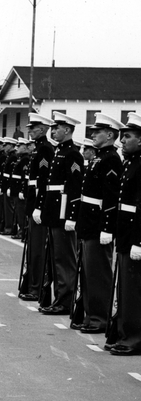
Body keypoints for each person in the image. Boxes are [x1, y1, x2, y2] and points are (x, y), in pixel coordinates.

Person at [72, 114, 122, 333]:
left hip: (97, 225)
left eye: (97, 132)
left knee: (98, 274)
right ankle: (90, 316)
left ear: (110, 135)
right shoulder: (99, 158)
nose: (92, 134)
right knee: (88, 273)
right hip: (89, 223)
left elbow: (110, 198)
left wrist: (107, 228)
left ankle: (99, 319)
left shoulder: (111, 159)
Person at [34, 112, 84, 315]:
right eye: (52, 128)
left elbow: (74, 186)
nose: (53, 131)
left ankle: (65, 301)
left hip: (63, 213)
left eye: (57, 128)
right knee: (56, 258)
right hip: (54, 212)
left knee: (64, 259)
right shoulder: (59, 152)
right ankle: (59, 298)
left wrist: (72, 216)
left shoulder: (72, 154)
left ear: (68, 130)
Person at [107, 113, 141, 355]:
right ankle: (122, 333)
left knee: (132, 290)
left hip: (134, 236)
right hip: (125, 233)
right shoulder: (130, 163)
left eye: (127, 136)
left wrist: (138, 241)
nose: (122, 141)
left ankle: (133, 339)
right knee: (124, 289)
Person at [18, 113, 55, 301]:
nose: (30, 131)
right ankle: (31, 283)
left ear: (42, 129)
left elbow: (43, 179)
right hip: (32, 200)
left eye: (33, 128)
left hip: (38, 202)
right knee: (33, 246)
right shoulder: (37, 149)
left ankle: (36, 287)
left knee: (38, 248)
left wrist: (39, 206)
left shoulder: (45, 150)